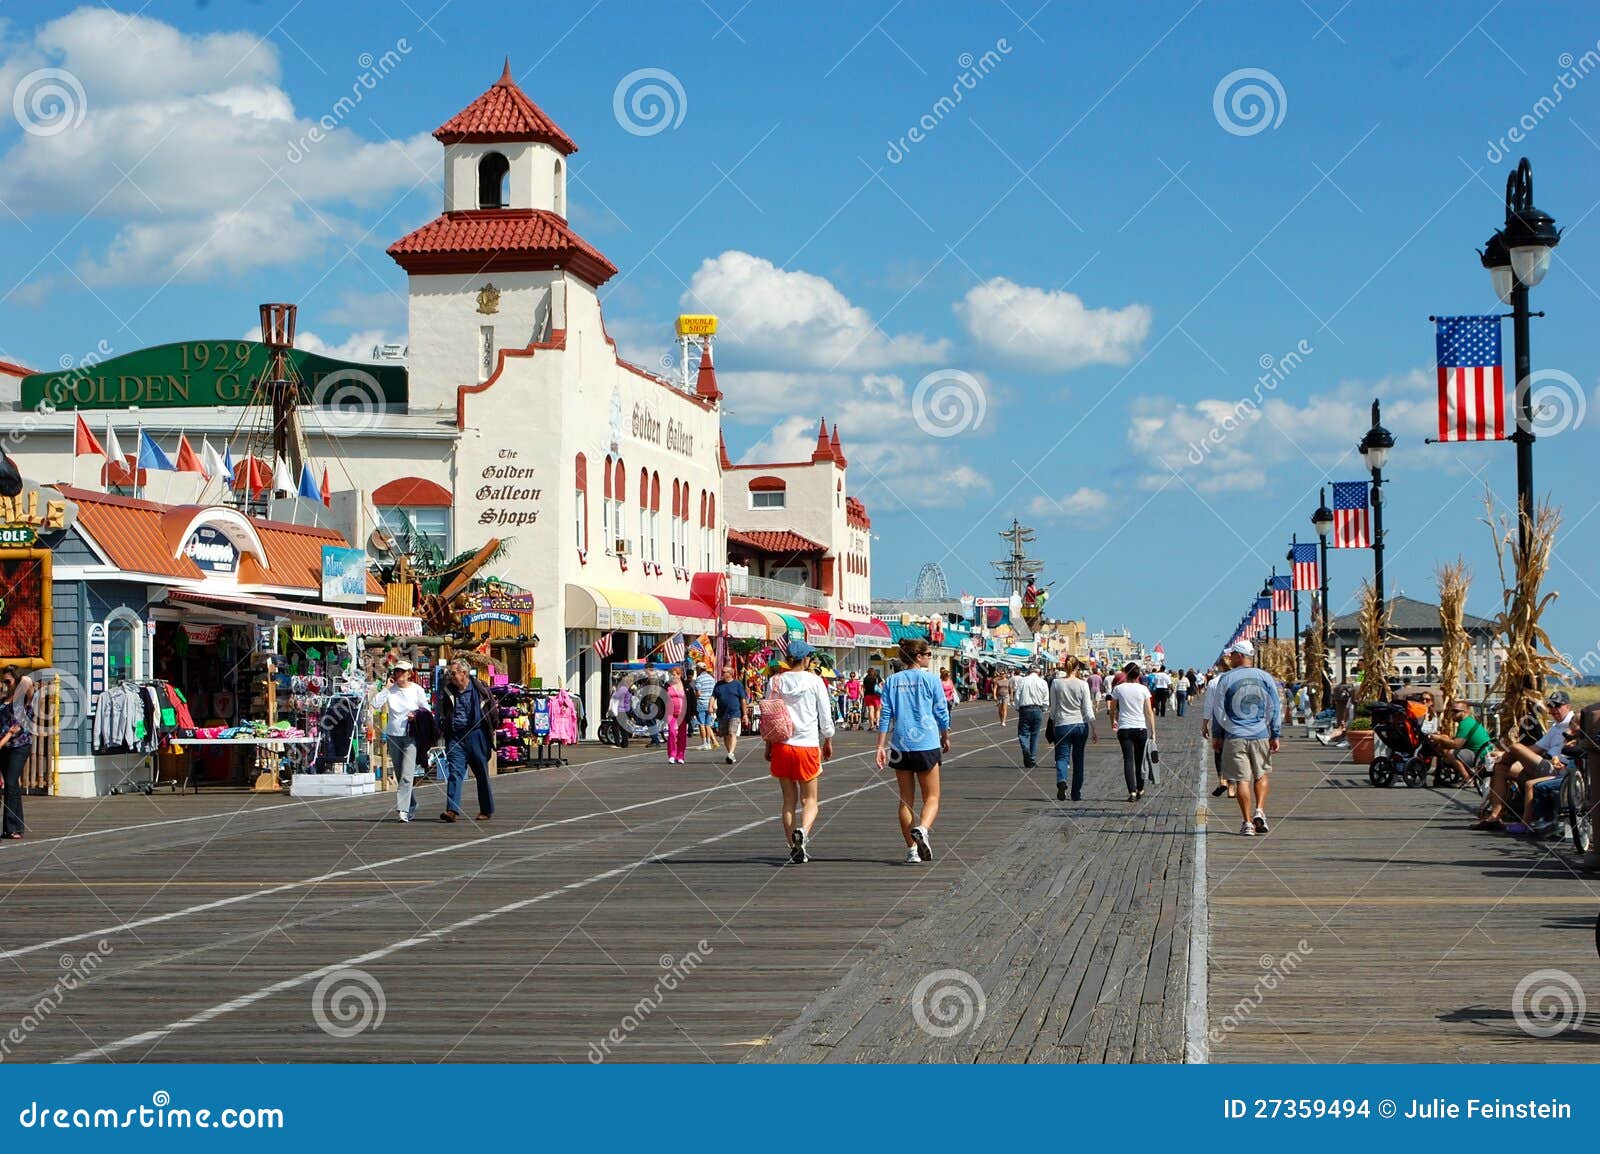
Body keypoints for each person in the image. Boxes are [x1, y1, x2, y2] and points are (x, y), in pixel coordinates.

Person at [876, 637, 950, 864]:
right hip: (926, 743)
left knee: (906, 800)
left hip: (900, 744)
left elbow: (885, 714)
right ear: (918, 656)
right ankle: (923, 829)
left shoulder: (892, 681)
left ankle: (912, 850)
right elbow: (941, 710)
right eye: (928, 654)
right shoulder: (931, 679)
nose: (929, 657)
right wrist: (945, 734)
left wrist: (880, 745)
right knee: (932, 797)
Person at [765, 640, 834, 863]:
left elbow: (769, 716)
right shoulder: (815, 681)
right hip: (807, 745)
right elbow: (825, 715)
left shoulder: (775, 681)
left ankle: (792, 845)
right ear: (805, 659)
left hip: (782, 744)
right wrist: (828, 738)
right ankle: (803, 832)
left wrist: (768, 744)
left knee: (788, 800)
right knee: (810, 800)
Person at [1208, 641, 1281, 836]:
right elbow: (1274, 708)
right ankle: (1260, 810)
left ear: (1240, 656)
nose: (1229, 658)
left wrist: (1217, 735)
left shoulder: (1226, 679)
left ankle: (1247, 822)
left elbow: (1218, 710)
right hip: (1260, 734)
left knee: (1242, 779)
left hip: (1234, 735)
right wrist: (1275, 734)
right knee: (1261, 774)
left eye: (1232, 655)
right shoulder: (1265, 677)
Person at [1478, 691, 1577, 829]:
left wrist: (1507, 754)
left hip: (1558, 768)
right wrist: (1506, 753)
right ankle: (1495, 817)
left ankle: (1499, 760)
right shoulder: (1556, 727)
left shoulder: (1574, 724)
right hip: (1546, 764)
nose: (1554, 710)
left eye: (1558, 706)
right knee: (1501, 769)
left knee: (1515, 747)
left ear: (1568, 706)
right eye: (1551, 706)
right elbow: (1536, 748)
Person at [436, 659, 498, 823]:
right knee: (455, 772)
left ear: (463, 673)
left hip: (477, 735)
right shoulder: (448, 690)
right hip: (456, 737)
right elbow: (442, 711)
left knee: (481, 773)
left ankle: (486, 809)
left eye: (453, 673)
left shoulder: (480, 689)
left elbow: (492, 711)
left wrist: (491, 729)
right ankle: (452, 810)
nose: (450, 676)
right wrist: (443, 729)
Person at [370, 660, 430, 822]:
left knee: (407, 774)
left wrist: (415, 714)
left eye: (403, 672)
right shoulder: (391, 690)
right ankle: (412, 803)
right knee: (399, 772)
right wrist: (386, 689)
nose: (399, 674)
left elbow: (426, 710)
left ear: (409, 673)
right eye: (397, 671)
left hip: (411, 735)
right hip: (393, 734)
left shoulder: (417, 690)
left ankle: (403, 809)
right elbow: (375, 704)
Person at [1048, 656, 1098, 802]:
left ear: (1065, 666)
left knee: (1062, 757)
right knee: (1078, 759)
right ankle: (1076, 793)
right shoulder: (1083, 684)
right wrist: (1094, 728)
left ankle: (1062, 780)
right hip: (1080, 725)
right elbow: (1088, 709)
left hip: (1062, 724)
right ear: (1077, 668)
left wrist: (1052, 722)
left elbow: (1053, 708)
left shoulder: (1056, 683)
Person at [1109, 662, 1156, 801]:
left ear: (1126, 673)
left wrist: (1113, 722)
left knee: (1128, 760)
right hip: (1140, 727)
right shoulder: (1143, 689)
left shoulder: (1118, 689)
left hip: (1124, 728)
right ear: (1138, 675)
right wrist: (1153, 731)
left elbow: (1112, 709)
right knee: (1140, 759)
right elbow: (1149, 712)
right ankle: (1140, 788)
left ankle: (1132, 791)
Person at [0, 667, 34, 840]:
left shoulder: (24, 699)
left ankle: (13, 827)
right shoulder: (2, 700)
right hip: (4, 746)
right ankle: (11, 827)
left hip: (19, 745)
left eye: (8, 681)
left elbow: (28, 682)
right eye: (3, 681)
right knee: (9, 786)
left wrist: (17, 683)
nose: (6, 685)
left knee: (11, 781)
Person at [1012, 664, 1049, 769]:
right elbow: (1046, 698)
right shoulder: (1043, 682)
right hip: (1037, 709)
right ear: (1039, 672)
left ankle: (1025, 749)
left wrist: (1017, 707)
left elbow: (1017, 696)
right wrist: (1044, 708)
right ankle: (1032, 759)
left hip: (1025, 708)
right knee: (1034, 735)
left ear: (1029, 671)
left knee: (1023, 733)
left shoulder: (1023, 681)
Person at [713, 663, 750, 764]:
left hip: (735, 713)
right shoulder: (718, 684)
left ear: (730, 673)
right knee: (725, 735)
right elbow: (713, 696)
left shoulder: (737, 684)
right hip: (722, 713)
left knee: (731, 733)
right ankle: (730, 754)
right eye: (722, 672)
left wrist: (745, 714)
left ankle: (731, 753)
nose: (722, 673)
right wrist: (710, 706)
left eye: (724, 672)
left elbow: (743, 700)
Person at [665, 666, 689, 764]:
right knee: (672, 733)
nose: (672, 677)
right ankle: (672, 755)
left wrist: (692, 712)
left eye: (674, 675)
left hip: (683, 713)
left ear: (679, 675)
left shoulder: (686, 685)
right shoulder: (667, 685)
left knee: (682, 735)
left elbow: (691, 698)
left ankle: (680, 755)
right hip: (671, 713)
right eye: (671, 675)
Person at [693, 664, 717, 749]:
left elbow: (698, 693)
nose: (696, 670)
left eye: (697, 669)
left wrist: (694, 696)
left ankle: (704, 743)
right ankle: (709, 743)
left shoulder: (699, 679)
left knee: (701, 724)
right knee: (708, 724)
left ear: (699, 669)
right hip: (710, 703)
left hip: (701, 702)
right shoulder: (711, 678)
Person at [609, 676, 633, 748]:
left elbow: (615, 696)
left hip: (619, 710)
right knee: (623, 728)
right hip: (625, 710)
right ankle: (625, 743)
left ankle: (617, 743)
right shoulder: (628, 690)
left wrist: (614, 691)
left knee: (615, 727)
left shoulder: (622, 689)